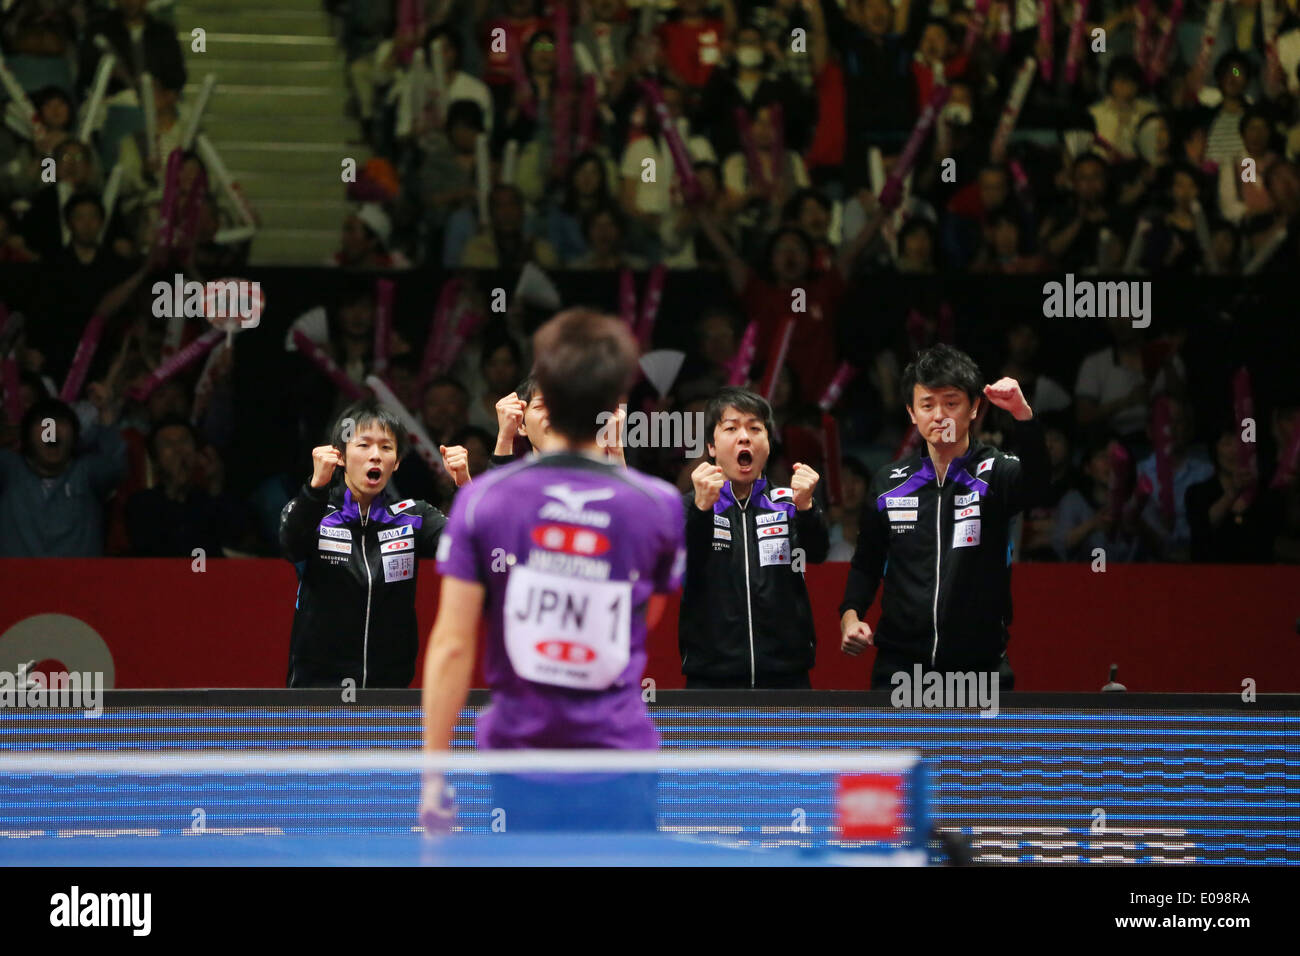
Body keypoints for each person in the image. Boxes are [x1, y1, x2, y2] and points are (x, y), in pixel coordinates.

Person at [419, 309, 686, 832]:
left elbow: (452, 642)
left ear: (546, 401)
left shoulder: (482, 502)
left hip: (521, 761)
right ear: (615, 404)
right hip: (622, 759)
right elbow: (647, 616)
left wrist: (434, 773)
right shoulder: (658, 505)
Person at [839, 344, 1049, 688]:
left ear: (974, 408)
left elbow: (1038, 486)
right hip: (900, 672)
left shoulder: (995, 472)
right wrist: (850, 618)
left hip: (980, 672)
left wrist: (1022, 415)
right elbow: (866, 564)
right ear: (911, 412)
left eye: (951, 403)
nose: (939, 415)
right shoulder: (889, 483)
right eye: (927, 404)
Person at [278, 399, 465, 688]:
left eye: (386, 447)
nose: (375, 456)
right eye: (364, 445)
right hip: (316, 694)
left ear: (398, 461)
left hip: (388, 695)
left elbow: (469, 548)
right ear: (339, 456)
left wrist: (465, 487)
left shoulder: (413, 517)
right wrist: (316, 488)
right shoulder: (315, 512)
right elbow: (290, 543)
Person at [678, 386, 829, 689]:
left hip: (786, 676)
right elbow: (681, 562)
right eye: (731, 428)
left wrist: (807, 509)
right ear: (711, 446)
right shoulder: (690, 506)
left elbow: (818, 552)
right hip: (711, 678)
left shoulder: (790, 503)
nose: (744, 437)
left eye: (755, 428)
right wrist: (701, 510)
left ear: (769, 445)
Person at [0, 392, 125, 556]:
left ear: (74, 436)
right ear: (26, 436)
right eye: (45, 424)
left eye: (61, 423)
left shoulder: (87, 472)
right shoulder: (9, 469)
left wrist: (106, 417)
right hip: (17, 580)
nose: (52, 432)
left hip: (78, 580)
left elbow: (115, 466)